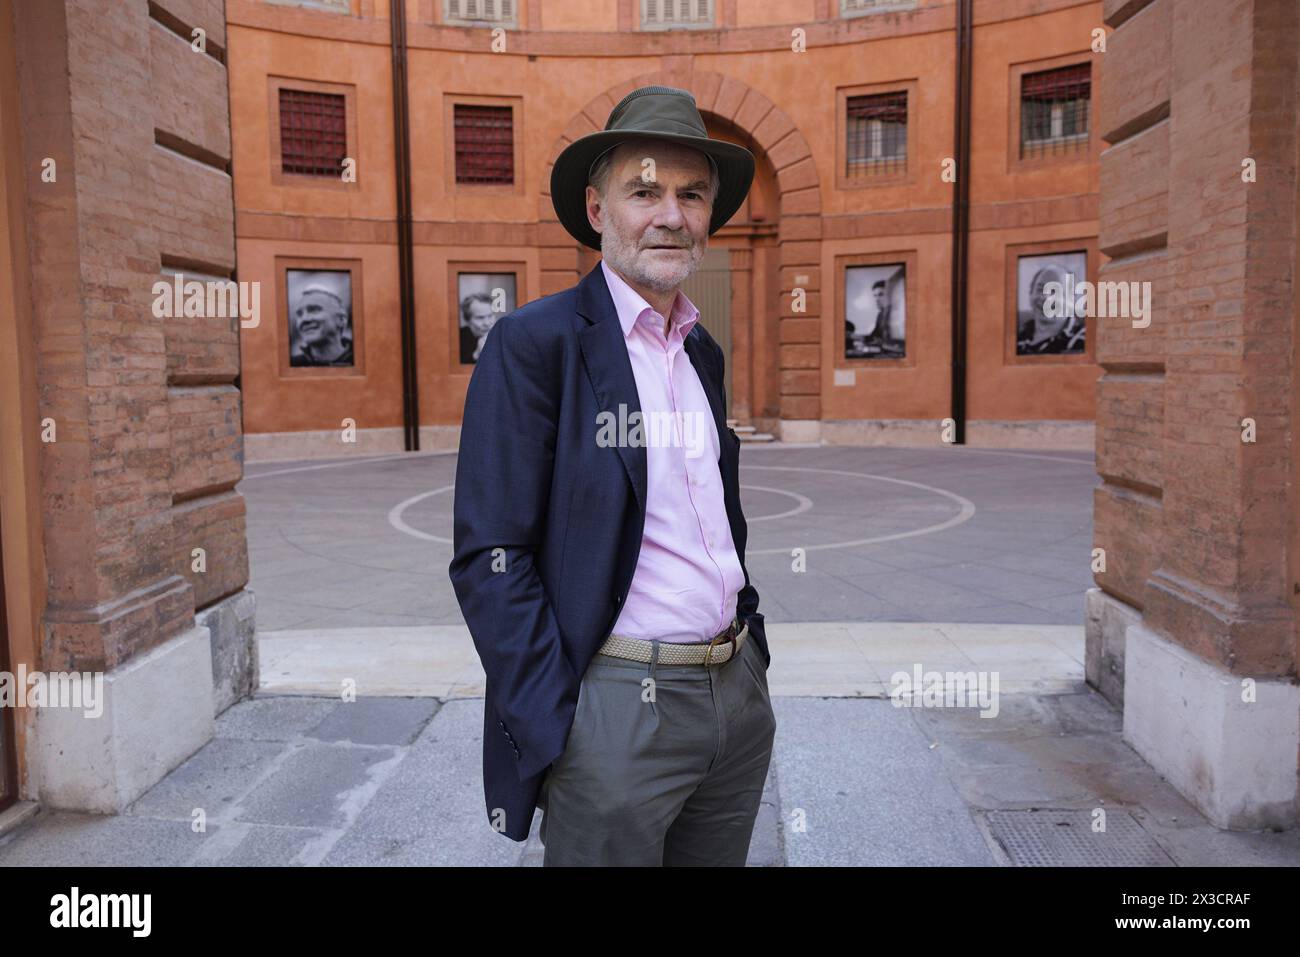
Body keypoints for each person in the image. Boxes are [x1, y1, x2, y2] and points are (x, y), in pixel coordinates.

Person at [448, 85, 774, 866]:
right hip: (618, 707)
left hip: (734, 695)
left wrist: (753, 656)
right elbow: (489, 555)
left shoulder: (702, 351)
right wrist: (558, 718)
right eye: (645, 190)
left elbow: (715, 517)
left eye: (691, 194)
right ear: (597, 210)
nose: (672, 213)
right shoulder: (536, 344)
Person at [1017, 264, 1085, 354]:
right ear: (1030, 293)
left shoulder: (1083, 341)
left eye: (1055, 291)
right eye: (1040, 289)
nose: (1045, 297)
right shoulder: (1016, 335)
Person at [289, 285, 353, 366]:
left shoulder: (364, 361)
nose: (304, 319)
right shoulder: (292, 365)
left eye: (314, 310)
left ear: (341, 319)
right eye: (299, 314)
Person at [459, 291, 499, 364]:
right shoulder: (457, 340)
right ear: (467, 320)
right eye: (480, 318)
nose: (487, 323)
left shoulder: (503, 336)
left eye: (490, 316)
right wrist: (477, 354)